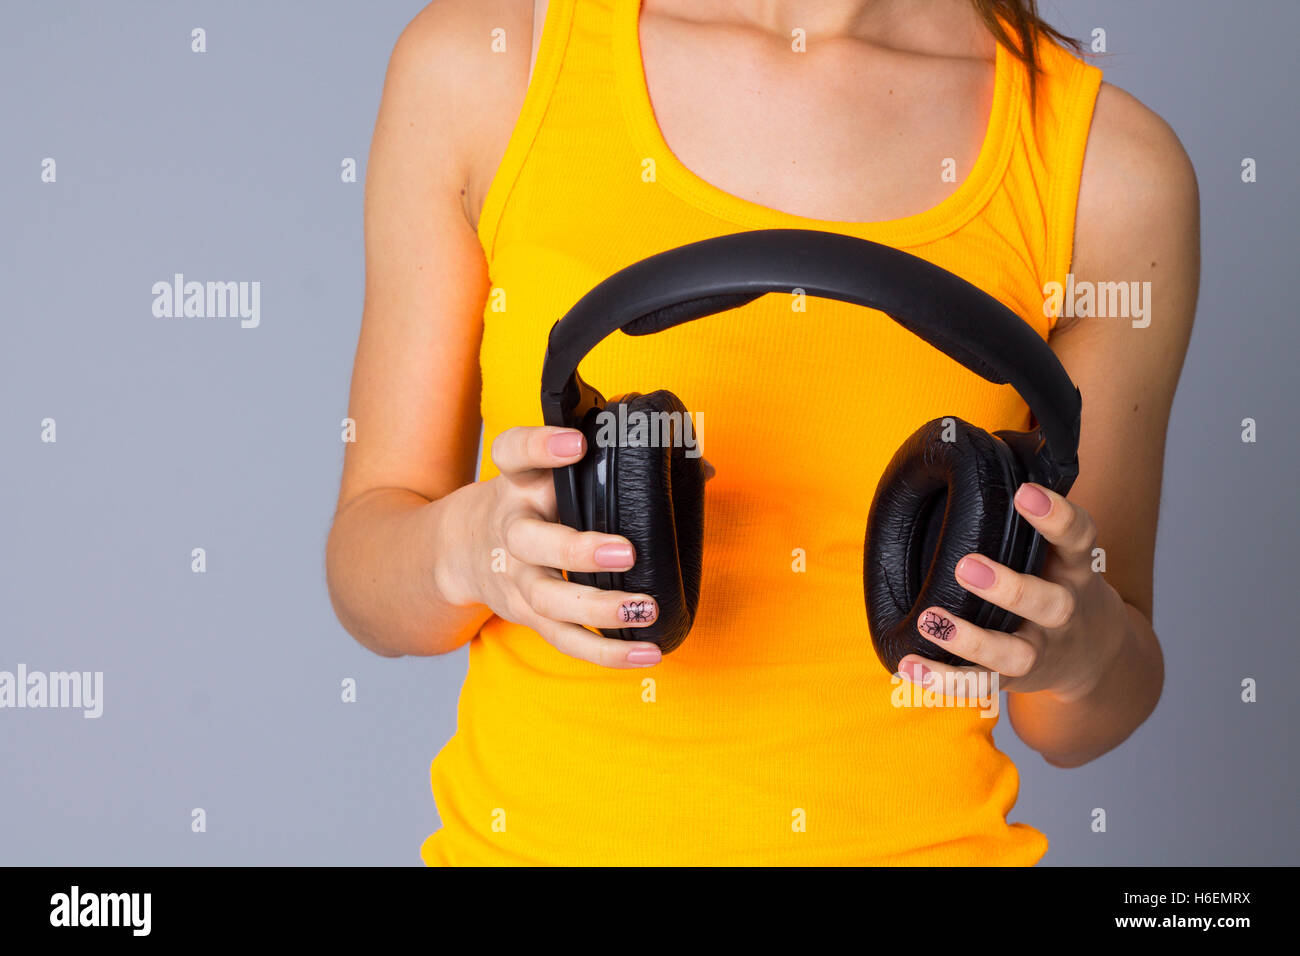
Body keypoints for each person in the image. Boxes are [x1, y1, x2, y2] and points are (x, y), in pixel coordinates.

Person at [326, 0, 1199, 865]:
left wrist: (1082, 651)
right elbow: (366, 566)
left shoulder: (1109, 170)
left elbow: (1079, 718)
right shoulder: (486, 62)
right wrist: (466, 549)